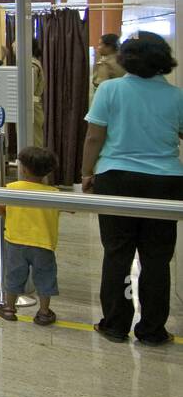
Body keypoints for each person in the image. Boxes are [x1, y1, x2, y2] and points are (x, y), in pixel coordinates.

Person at [81, 32, 183, 346]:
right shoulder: (177, 96)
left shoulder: (110, 90)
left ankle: (114, 324)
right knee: (156, 258)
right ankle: (152, 330)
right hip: (165, 182)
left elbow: (94, 137)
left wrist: (87, 172)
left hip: (116, 178)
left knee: (117, 253)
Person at [0, 146, 60, 326]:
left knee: (13, 276)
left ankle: (8, 308)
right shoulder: (54, 193)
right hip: (43, 244)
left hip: (15, 241)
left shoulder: (11, 188)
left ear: (22, 169)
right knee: (45, 277)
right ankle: (44, 312)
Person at [91, 33, 125, 99]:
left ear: (109, 47)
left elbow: (100, 85)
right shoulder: (123, 61)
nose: (98, 47)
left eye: (100, 44)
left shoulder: (105, 64)